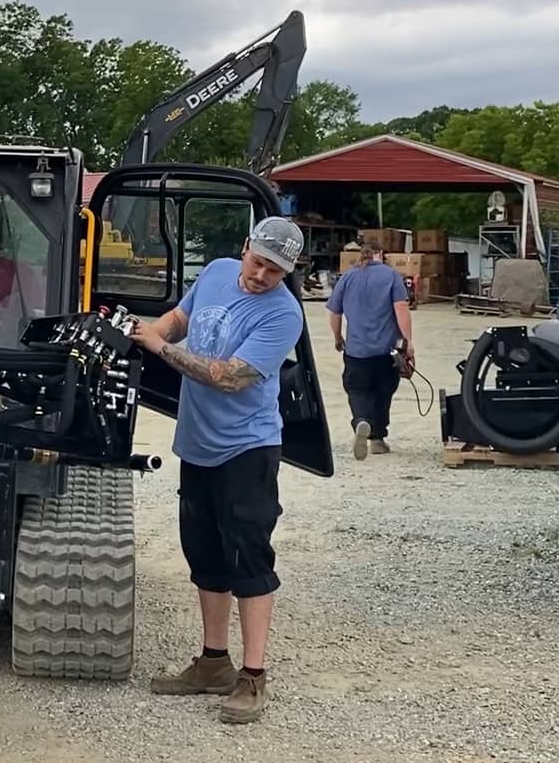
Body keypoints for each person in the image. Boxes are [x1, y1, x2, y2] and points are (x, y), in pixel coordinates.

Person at [127, 215, 306, 724]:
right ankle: (212, 663)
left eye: (275, 271)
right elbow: (180, 319)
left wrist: (159, 348)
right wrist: (152, 330)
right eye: (258, 262)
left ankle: (253, 676)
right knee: (204, 555)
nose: (261, 276)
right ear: (245, 248)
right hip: (198, 445)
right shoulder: (216, 271)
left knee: (248, 557)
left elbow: (228, 378)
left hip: (246, 449)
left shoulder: (282, 315)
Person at [326, 235, 413, 459]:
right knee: (383, 393)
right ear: (381, 255)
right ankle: (377, 439)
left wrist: (337, 337)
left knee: (357, 390)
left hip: (356, 351)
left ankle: (361, 420)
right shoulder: (391, 276)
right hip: (386, 352)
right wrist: (408, 342)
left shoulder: (347, 277)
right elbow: (401, 308)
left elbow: (334, 312)